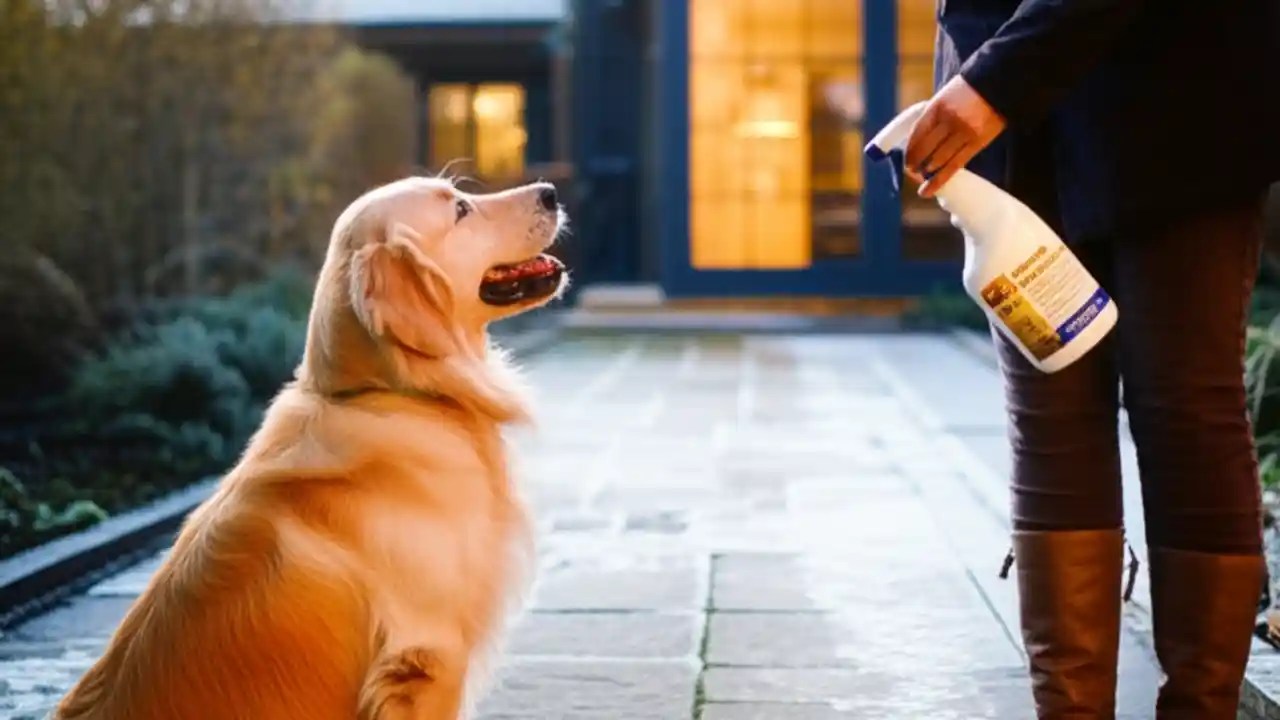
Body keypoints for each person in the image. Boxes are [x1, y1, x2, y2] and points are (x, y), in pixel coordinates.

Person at [904, 1, 1280, 718]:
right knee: (1053, 428)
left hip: (1179, 93)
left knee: (1185, 413)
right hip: (1013, 117)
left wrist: (992, 84)